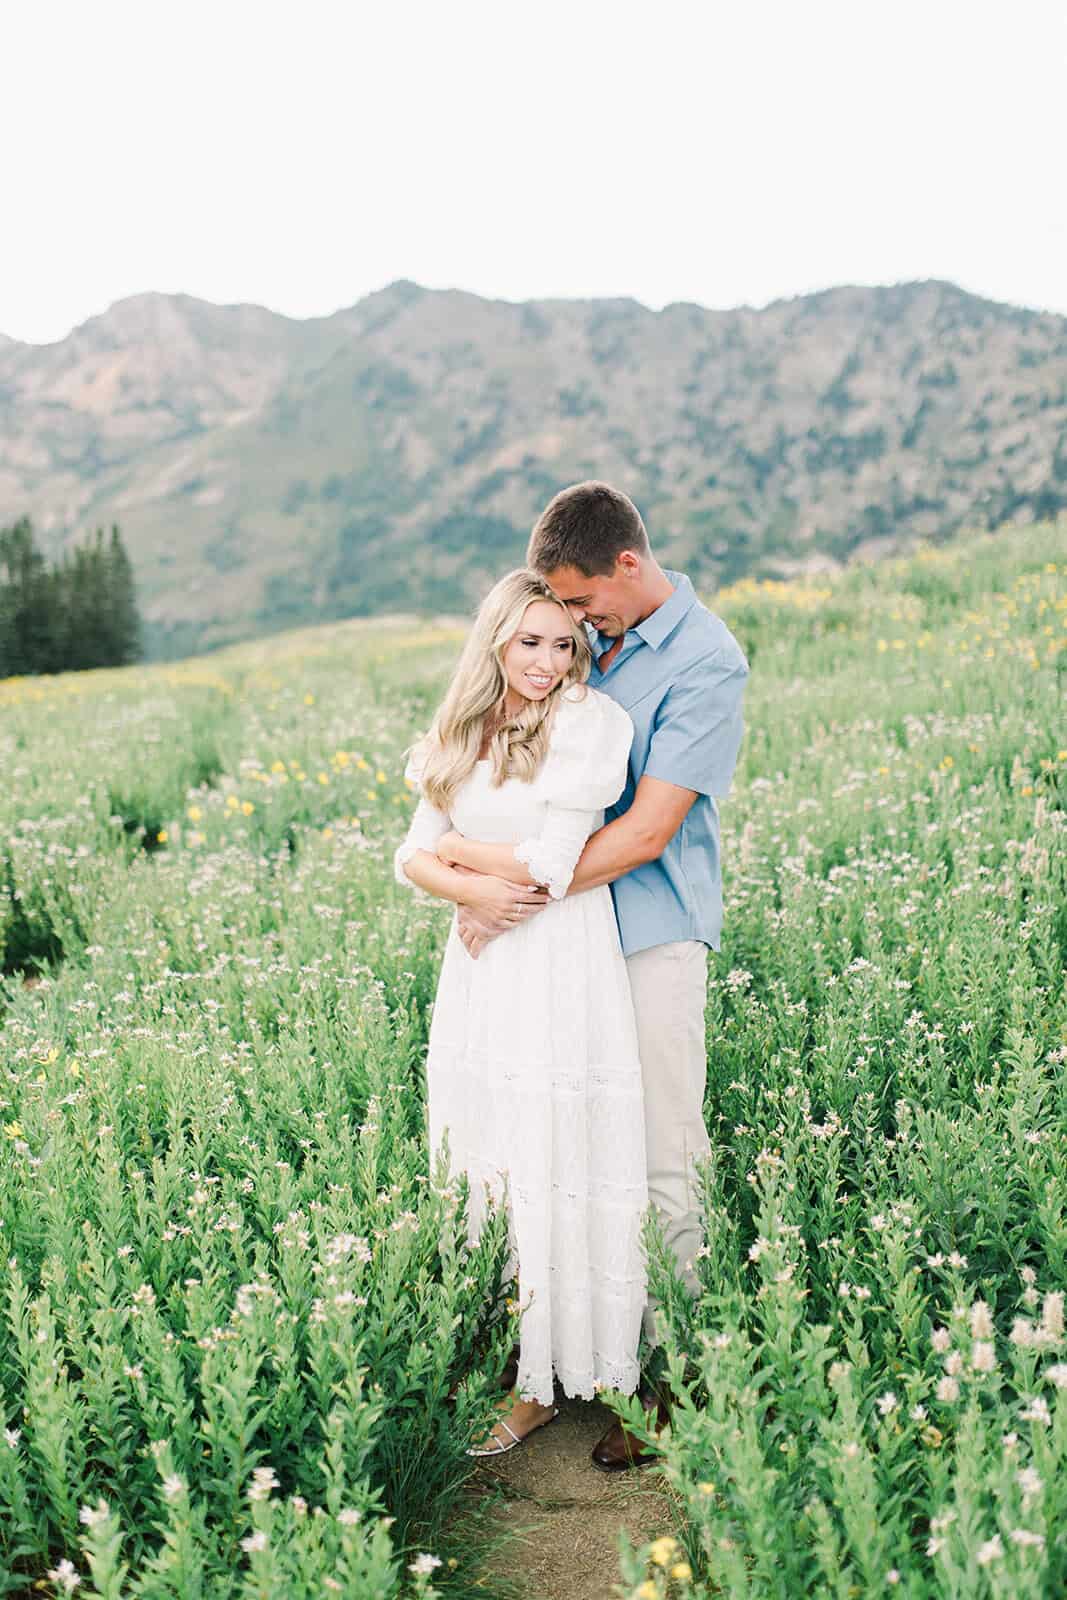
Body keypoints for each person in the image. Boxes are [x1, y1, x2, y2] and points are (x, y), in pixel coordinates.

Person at [455, 481, 750, 1472]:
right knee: (561, 1151)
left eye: (583, 607)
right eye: (562, 615)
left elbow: (648, 828)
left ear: (626, 564)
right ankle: (561, 1361)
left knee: (663, 1152)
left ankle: (667, 1383)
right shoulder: (595, 644)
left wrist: (512, 888)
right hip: (560, 954)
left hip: (646, 934)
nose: (574, 629)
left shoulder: (706, 660)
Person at [392, 567, 650, 1456]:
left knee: (559, 1149)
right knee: (494, 1149)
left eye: (561, 643)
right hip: (481, 968)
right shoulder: (460, 729)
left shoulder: (591, 723)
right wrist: (466, 893)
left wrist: (460, 863)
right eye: (528, 642)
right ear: (494, 641)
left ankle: (573, 1374)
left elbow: (554, 858)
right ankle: (516, 1362)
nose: (546, 661)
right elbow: (406, 859)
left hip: (557, 955)